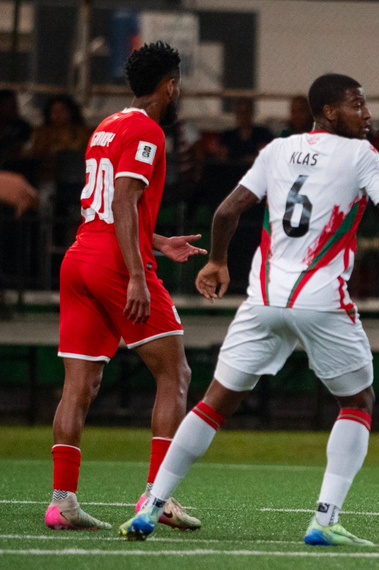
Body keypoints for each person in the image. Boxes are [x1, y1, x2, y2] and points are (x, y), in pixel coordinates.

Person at [119, 73, 379, 545]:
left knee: (214, 403)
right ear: (330, 112)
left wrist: (218, 261)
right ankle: (325, 519)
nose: (367, 114)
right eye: (357, 104)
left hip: (263, 298)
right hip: (322, 300)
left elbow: (225, 211)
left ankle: (151, 506)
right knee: (358, 403)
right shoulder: (362, 154)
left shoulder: (277, 150)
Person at [46, 42, 206, 533]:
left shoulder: (107, 125)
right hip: (115, 266)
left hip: (79, 259)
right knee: (174, 374)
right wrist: (138, 272)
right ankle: (158, 497)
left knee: (80, 385)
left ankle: (62, 502)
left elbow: (109, 207)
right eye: (179, 83)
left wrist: (155, 240)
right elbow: (122, 200)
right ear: (169, 84)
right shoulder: (147, 130)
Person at [25, 94, 91, 183]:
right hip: (47, 177)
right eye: (55, 112)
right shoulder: (41, 133)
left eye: (62, 111)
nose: (58, 115)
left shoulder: (83, 132)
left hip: (77, 177)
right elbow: (33, 153)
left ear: (71, 112)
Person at [218, 96, 275, 162]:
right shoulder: (227, 136)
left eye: (246, 112)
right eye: (239, 112)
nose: (243, 116)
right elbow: (222, 159)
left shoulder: (263, 134)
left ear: (251, 113)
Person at [0, 89, 31, 161]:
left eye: (16, 106)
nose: (16, 110)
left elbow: (29, 146)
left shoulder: (22, 126)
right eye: (12, 106)